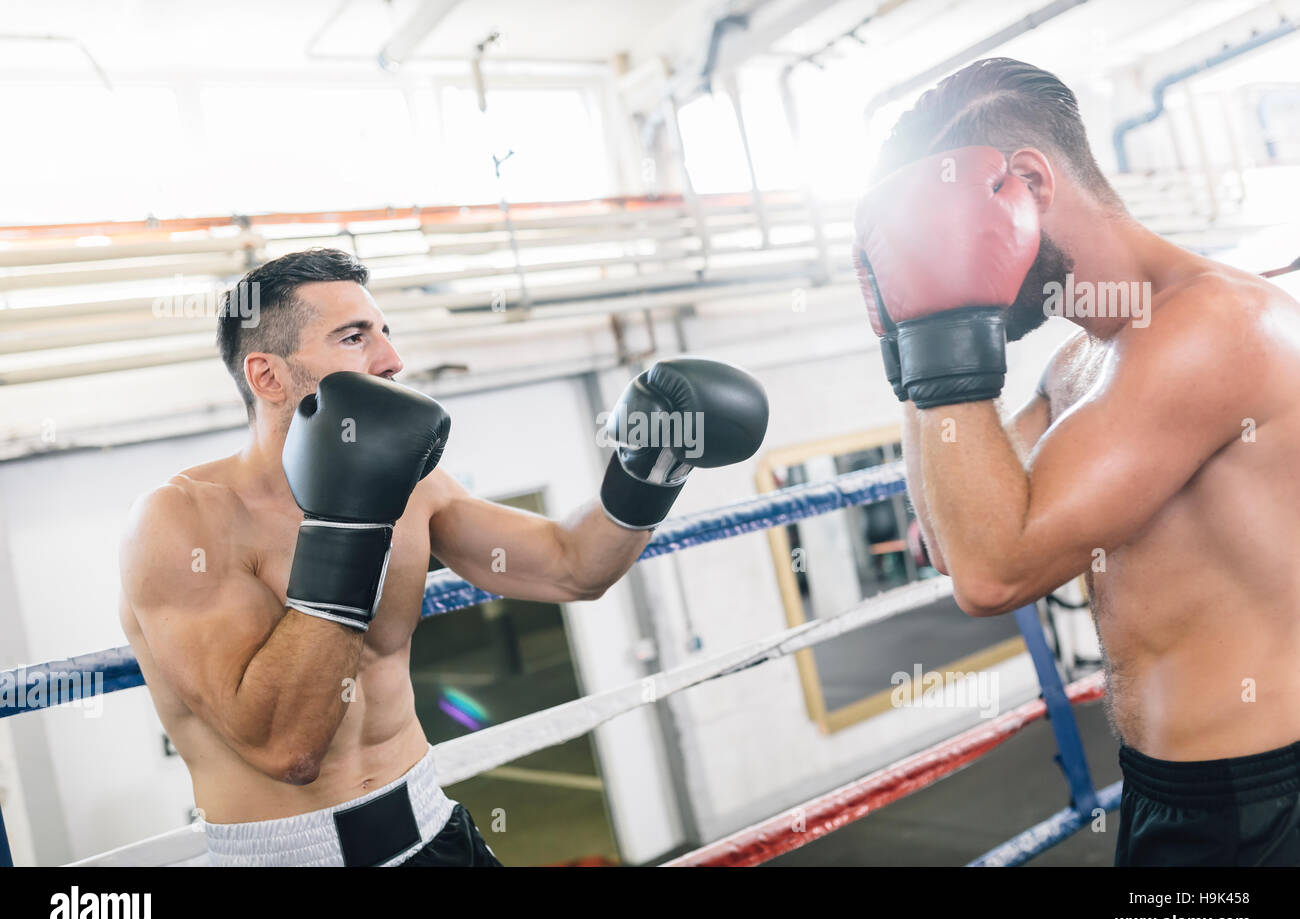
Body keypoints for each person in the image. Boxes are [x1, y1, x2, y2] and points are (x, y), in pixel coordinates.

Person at [118, 248, 768, 866]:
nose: (393, 359)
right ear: (268, 375)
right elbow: (287, 749)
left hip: (433, 831)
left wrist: (647, 469)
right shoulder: (183, 522)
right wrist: (349, 521)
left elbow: (573, 566)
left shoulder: (414, 488)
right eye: (354, 337)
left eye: (386, 332)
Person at [852, 58, 1300, 865]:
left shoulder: (1213, 329)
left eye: (935, 226)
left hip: (1265, 805)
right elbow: (955, 540)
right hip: (1170, 793)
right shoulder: (1079, 368)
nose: (935, 254)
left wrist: (941, 326)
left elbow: (994, 577)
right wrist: (908, 340)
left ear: (1025, 179)